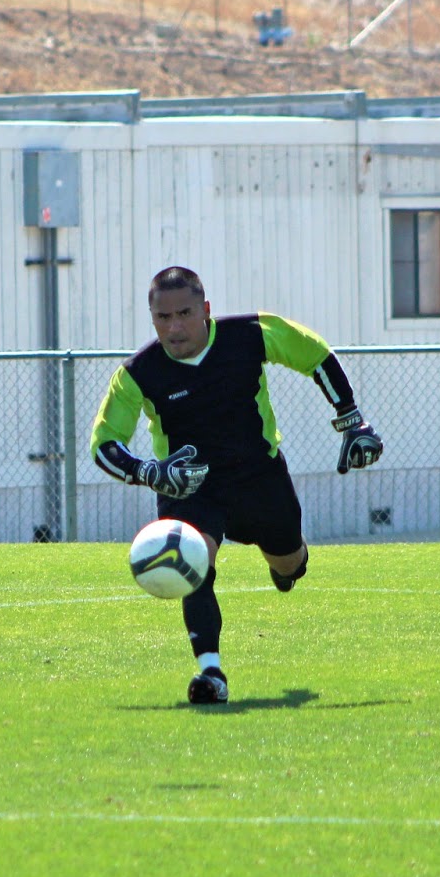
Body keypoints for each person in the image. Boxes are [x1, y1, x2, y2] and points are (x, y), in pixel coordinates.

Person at [90, 266, 383, 705]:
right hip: (188, 487)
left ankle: (287, 567)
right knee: (192, 565)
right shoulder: (139, 372)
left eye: (184, 313)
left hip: (258, 477)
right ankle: (210, 673)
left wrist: (351, 421)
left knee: (289, 565)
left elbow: (315, 355)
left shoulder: (251, 334)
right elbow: (103, 444)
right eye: (162, 317)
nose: (174, 327)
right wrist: (150, 472)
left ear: (206, 310)